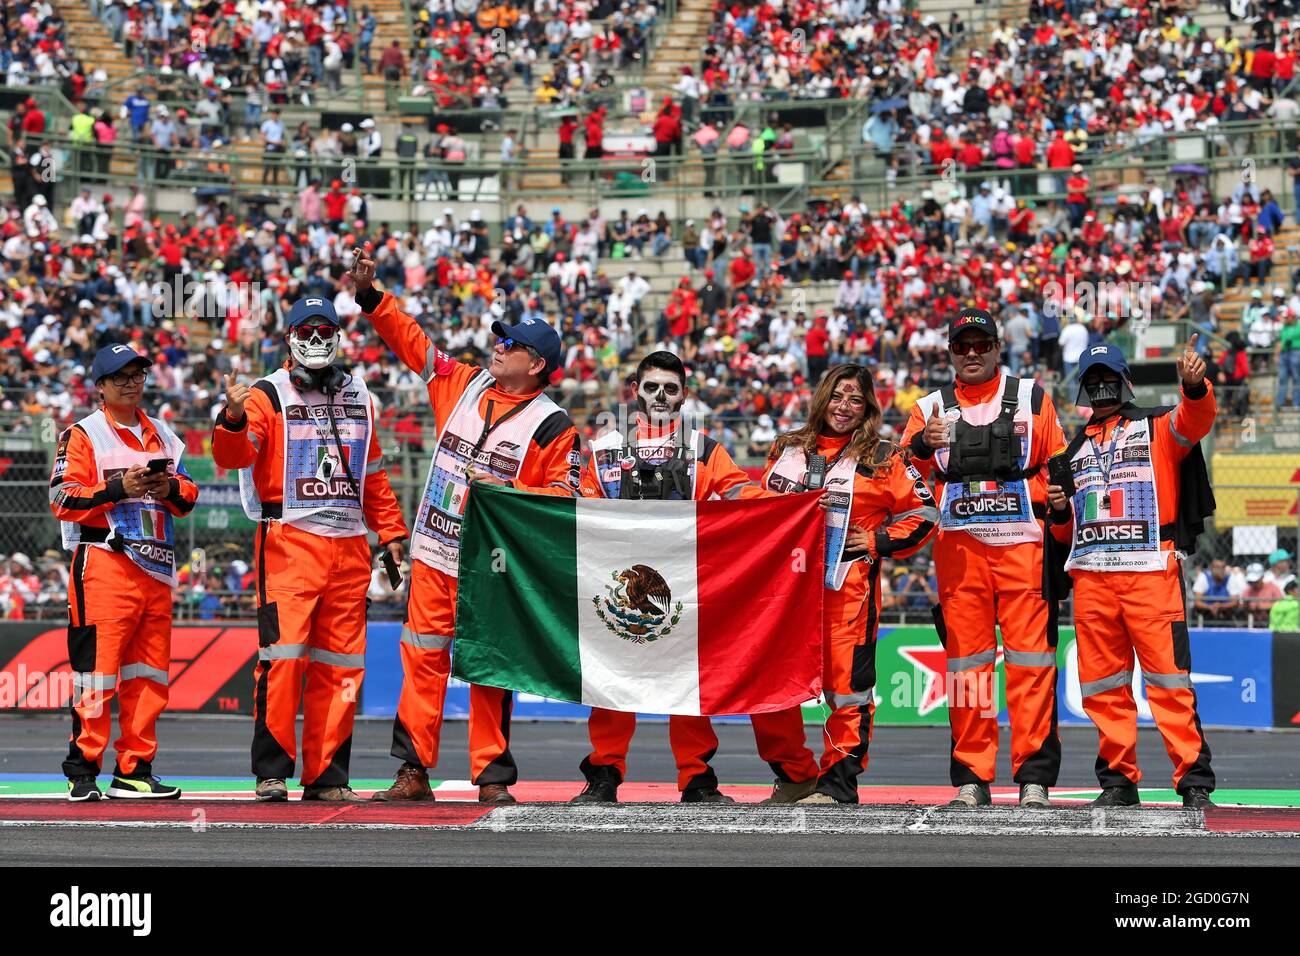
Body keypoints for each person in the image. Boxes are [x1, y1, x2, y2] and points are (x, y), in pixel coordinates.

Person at [350, 253, 581, 805]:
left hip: (493, 568)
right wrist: (370, 296)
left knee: (489, 665)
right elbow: (413, 343)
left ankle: (493, 777)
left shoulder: (553, 425)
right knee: (422, 656)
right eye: (500, 340)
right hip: (434, 553)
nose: (497, 348)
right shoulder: (463, 383)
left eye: (512, 345)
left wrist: (503, 492)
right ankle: (412, 772)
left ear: (538, 366)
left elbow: (566, 500)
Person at [212, 296, 408, 802]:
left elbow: (374, 471)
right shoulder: (265, 395)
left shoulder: (359, 393)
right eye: (308, 331)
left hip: (349, 546)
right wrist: (231, 419)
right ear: (290, 339)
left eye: (327, 331)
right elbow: (232, 455)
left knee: (341, 666)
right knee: (283, 659)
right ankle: (272, 771)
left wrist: (389, 533)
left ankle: (327, 777)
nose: (317, 341)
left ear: (339, 338)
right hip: (289, 543)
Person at [570, 351, 771, 805]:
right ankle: (604, 773)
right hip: (617, 583)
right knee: (611, 679)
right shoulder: (604, 446)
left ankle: (697, 777)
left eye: (670, 388)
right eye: (651, 387)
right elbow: (578, 496)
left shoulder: (704, 448)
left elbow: (738, 490)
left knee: (689, 681)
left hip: (683, 584)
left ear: (685, 394)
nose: (660, 396)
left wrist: (786, 505)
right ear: (635, 392)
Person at [750, 364, 939, 803]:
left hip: (846, 595)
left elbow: (925, 512)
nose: (844, 407)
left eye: (855, 399)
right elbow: (761, 513)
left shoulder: (884, 456)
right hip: (783, 595)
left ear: (868, 407)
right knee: (768, 686)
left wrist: (876, 539)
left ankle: (837, 783)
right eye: (837, 396)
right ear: (822, 398)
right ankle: (796, 774)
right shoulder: (785, 447)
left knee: (848, 694)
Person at [901, 308, 1066, 808]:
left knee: (1031, 664)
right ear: (950, 352)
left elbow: (1058, 468)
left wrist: (1052, 513)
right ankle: (973, 776)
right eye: (961, 347)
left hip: (1025, 547)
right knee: (968, 668)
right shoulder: (927, 408)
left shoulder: (1033, 396)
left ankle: (1033, 776)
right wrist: (923, 450)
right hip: (959, 553)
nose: (971, 354)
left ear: (998, 347)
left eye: (981, 345)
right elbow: (905, 478)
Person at [1046, 338, 1218, 809]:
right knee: (1103, 687)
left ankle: (1193, 781)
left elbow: (1197, 420)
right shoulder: (1072, 451)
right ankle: (1118, 780)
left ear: (1126, 381)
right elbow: (1064, 536)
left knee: (1170, 680)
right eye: (1092, 379)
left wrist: (1193, 386)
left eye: (1107, 376)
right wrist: (1059, 514)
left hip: (1150, 571)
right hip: (1093, 579)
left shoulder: (1159, 425)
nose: (1100, 386)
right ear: (1083, 387)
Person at [49, 345, 199, 801]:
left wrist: (166, 486)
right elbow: (62, 498)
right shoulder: (82, 435)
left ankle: (134, 770)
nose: (131, 383)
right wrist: (119, 488)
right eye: (120, 378)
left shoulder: (167, 437)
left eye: (138, 375)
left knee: (149, 676)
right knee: (96, 674)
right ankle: (83, 771)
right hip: (103, 566)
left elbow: (190, 495)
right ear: (100, 386)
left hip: (155, 571)